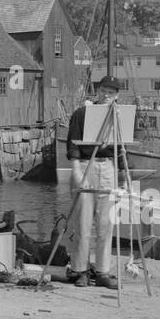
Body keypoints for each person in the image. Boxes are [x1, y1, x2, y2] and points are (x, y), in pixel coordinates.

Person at [65, 76, 129, 289]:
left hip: (107, 166)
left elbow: (122, 149)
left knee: (106, 224)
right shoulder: (81, 113)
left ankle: (102, 270)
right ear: (97, 91)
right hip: (85, 164)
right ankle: (80, 270)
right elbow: (72, 146)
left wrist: (124, 177)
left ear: (116, 95)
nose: (106, 95)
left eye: (111, 92)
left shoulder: (120, 116)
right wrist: (75, 172)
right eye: (103, 91)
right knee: (83, 224)